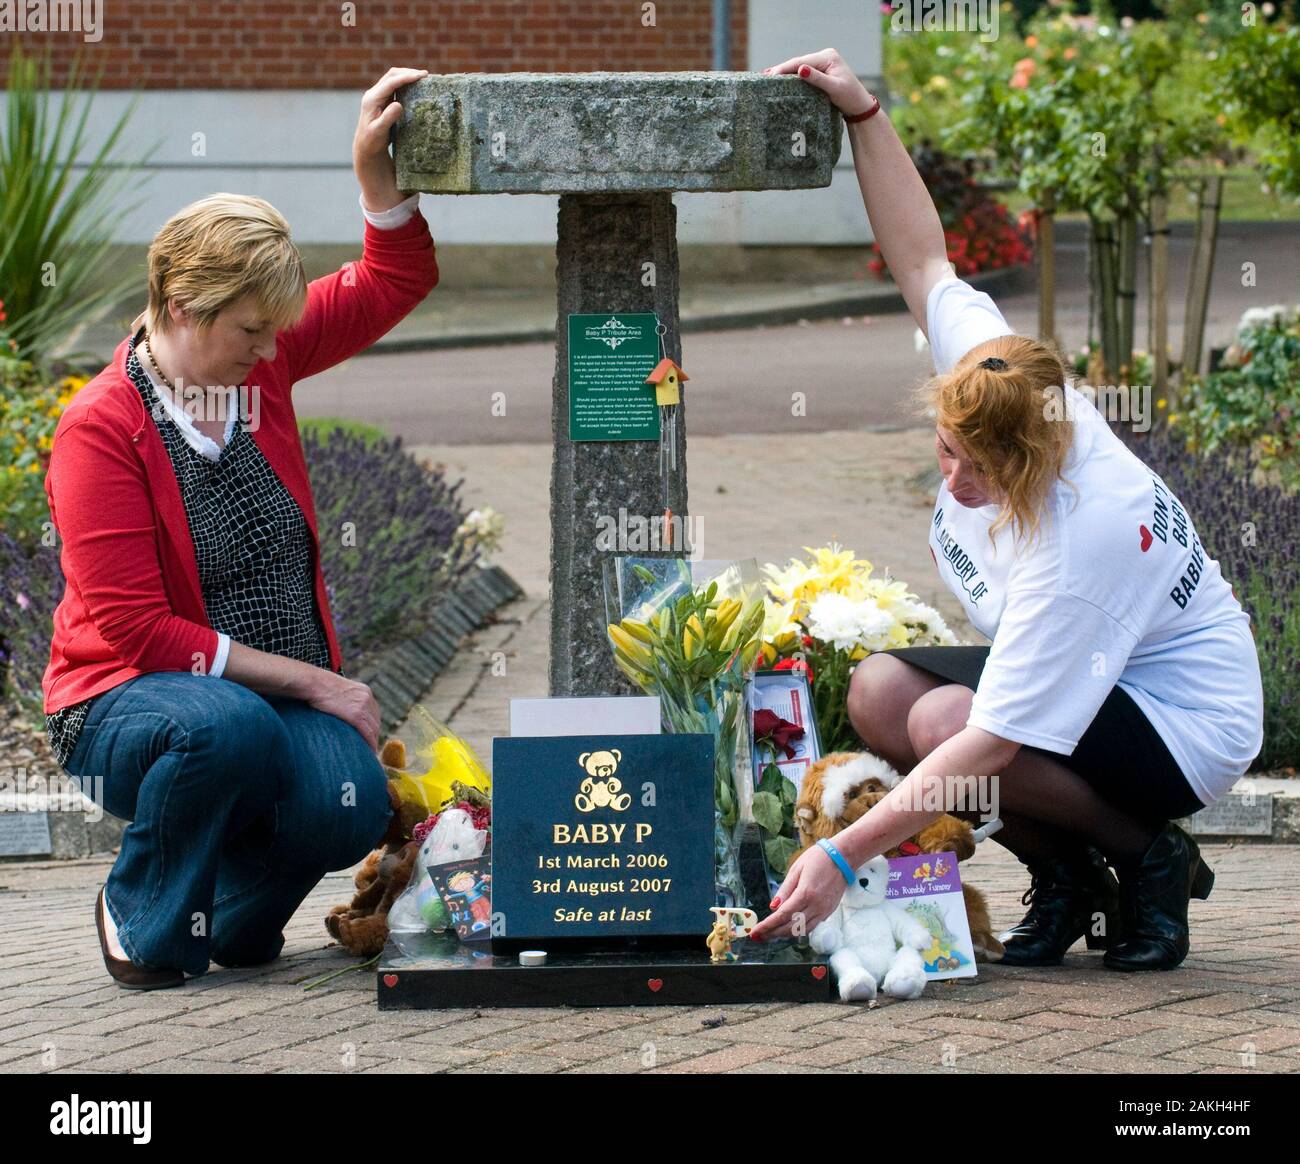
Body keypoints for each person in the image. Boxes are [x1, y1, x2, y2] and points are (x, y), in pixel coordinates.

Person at [748, 50, 1264, 973]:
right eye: (945, 451)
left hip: (1186, 719)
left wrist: (837, 856)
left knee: (947, 722)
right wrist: (864, 113)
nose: (953, 484)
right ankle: (1066, 875)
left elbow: (984, 741)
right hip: (1100, 671)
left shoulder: (1086, 536)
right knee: (880, 691)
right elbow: (922, 255)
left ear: (1038, 459)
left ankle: (1151, 857)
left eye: (978, 473)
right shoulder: (996, 373)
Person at [42, 67, 438, 989]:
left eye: (277, 333)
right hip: (123, 702)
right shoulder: (102, 427)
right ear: (183, 309)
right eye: (253, 332)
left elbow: (394, 279)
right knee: (227, 731)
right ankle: (143, 916)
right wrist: (318, 683)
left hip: (257, 703)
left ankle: (220, 912)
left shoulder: (257, 365)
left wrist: (375, 185)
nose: (273, 354)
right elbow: (138, 630)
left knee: (347, 804)